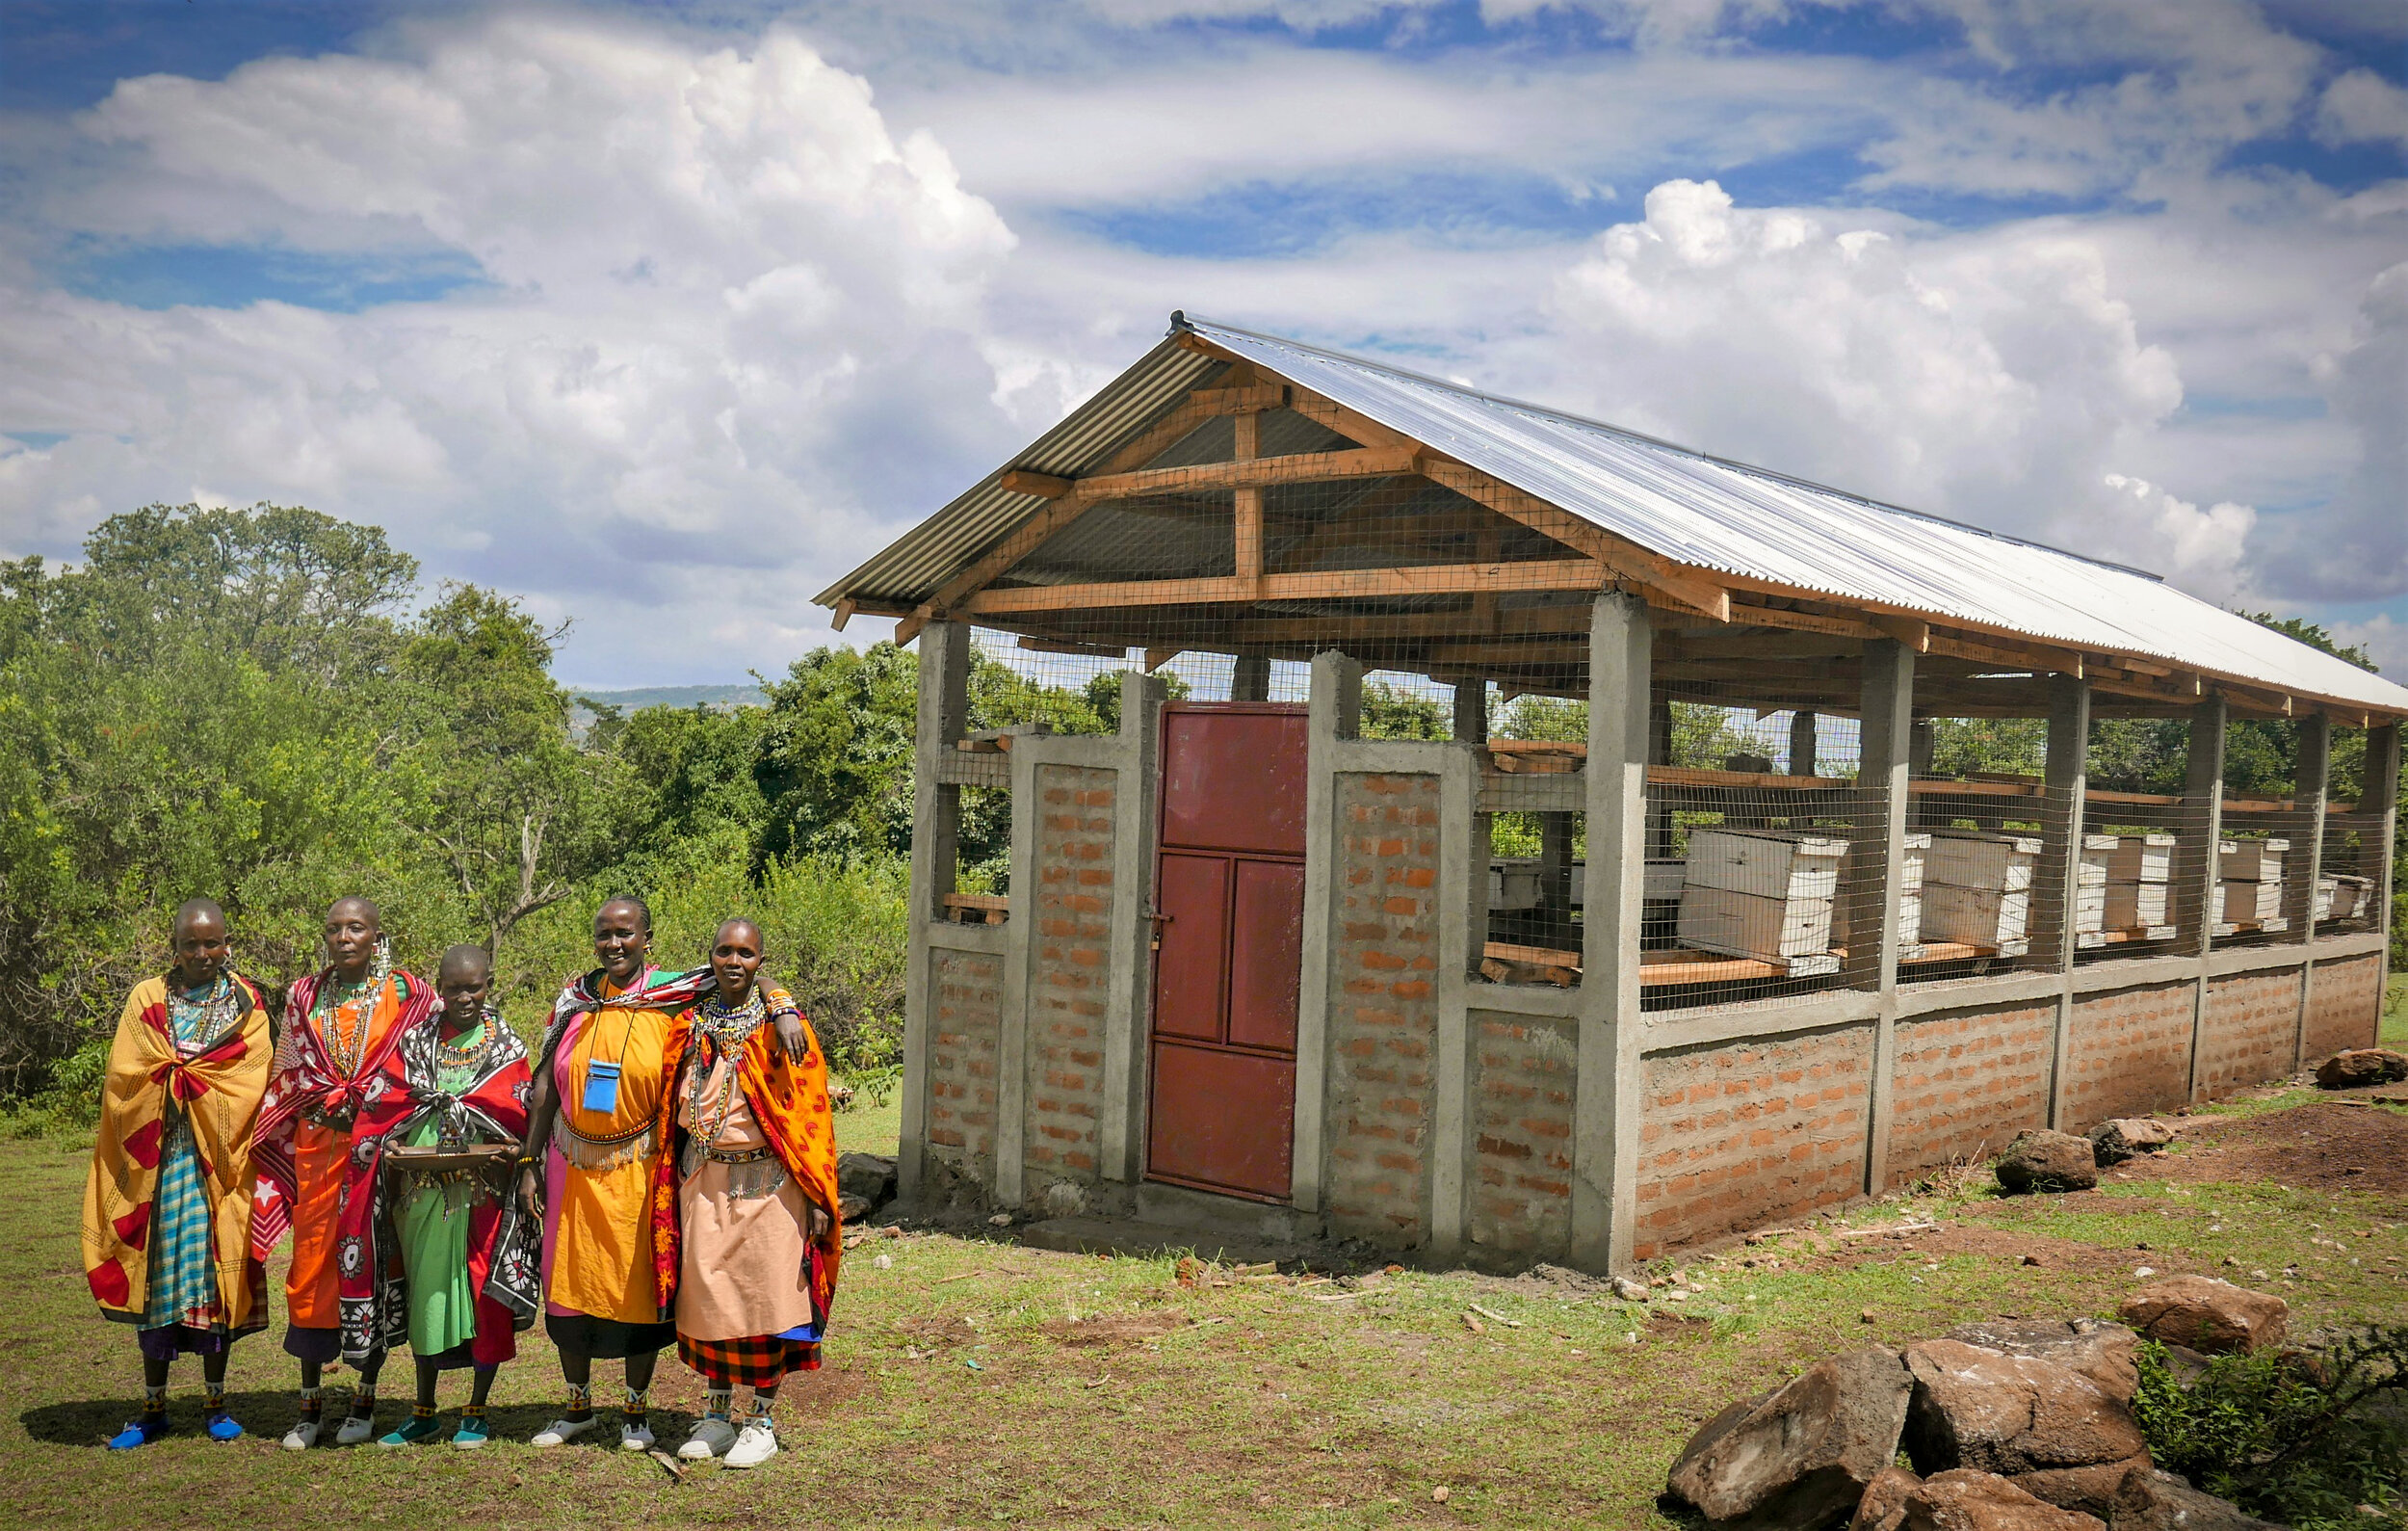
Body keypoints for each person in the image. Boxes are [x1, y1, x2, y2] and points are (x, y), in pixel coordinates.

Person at [516, 897, 712, 1450]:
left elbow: (748, 974)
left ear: (648, 937)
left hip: (641, 1167)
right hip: (571, 1166)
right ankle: (577, 1408)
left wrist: (786, 1006)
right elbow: (544, 1088)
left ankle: (634, 1414)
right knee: (569, 1291)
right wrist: (530, 1163)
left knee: (636, 1289)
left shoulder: (677, 995)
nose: (614, 945)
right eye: (604, 935)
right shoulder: (575, 1000)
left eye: (625, 934)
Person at [84, 899, 276, 1449]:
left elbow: (251, 1078)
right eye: (190, 944)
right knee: (158, 1280)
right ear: (174, 945)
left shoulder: (246, 1002)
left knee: (213, 1279)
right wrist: (172, 1080)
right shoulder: (147, 997)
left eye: (211, 942)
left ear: (226, 942)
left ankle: (217, 1404)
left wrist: (197, 1084)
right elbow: (126, 1075)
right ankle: (152, 1409)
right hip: (160, 1169)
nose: (201, 953)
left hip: (220, 1166)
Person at [336, 944, 537, 1449]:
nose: (464, 997)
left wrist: (504, 1150)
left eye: (474, 987)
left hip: (483, 1195)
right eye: (453, 988)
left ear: (489, 983)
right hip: (422, 1195)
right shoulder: (415, 1042)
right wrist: (394, 1147)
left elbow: (518, 1117)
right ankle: (423, 1411)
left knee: (482, 1301)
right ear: (439, 987)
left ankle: (476, 1411)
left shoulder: (506, 1046)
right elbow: (386, 1106)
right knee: (428, 1297)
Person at [252, 896, 432, 1448]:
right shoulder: (306, 994)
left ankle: (364, 1400)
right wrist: (318, 1101)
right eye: (334, 928)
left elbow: (417, 1065)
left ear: (377, 934)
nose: (344, 936)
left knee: (370, 1264)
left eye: (356, 927)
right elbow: (289, 1068)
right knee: (310, 1269)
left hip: (378, 1149)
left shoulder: (408, 992)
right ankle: (309, 1409)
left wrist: (373, 1107)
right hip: (318, 1150)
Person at [667, 918, 843, 1469]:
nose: (734, 962)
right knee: (709, 1300)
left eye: (746, 953)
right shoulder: (689, 1019)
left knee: (769, 1300)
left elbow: (813, 1119)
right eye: (724, 951)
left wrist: (818, 1197)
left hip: (772, 1186)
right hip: (704, 1180)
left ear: (761, 961)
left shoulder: (784, 1028)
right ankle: (716, 1417)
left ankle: (760, 1420)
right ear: (710, 956)